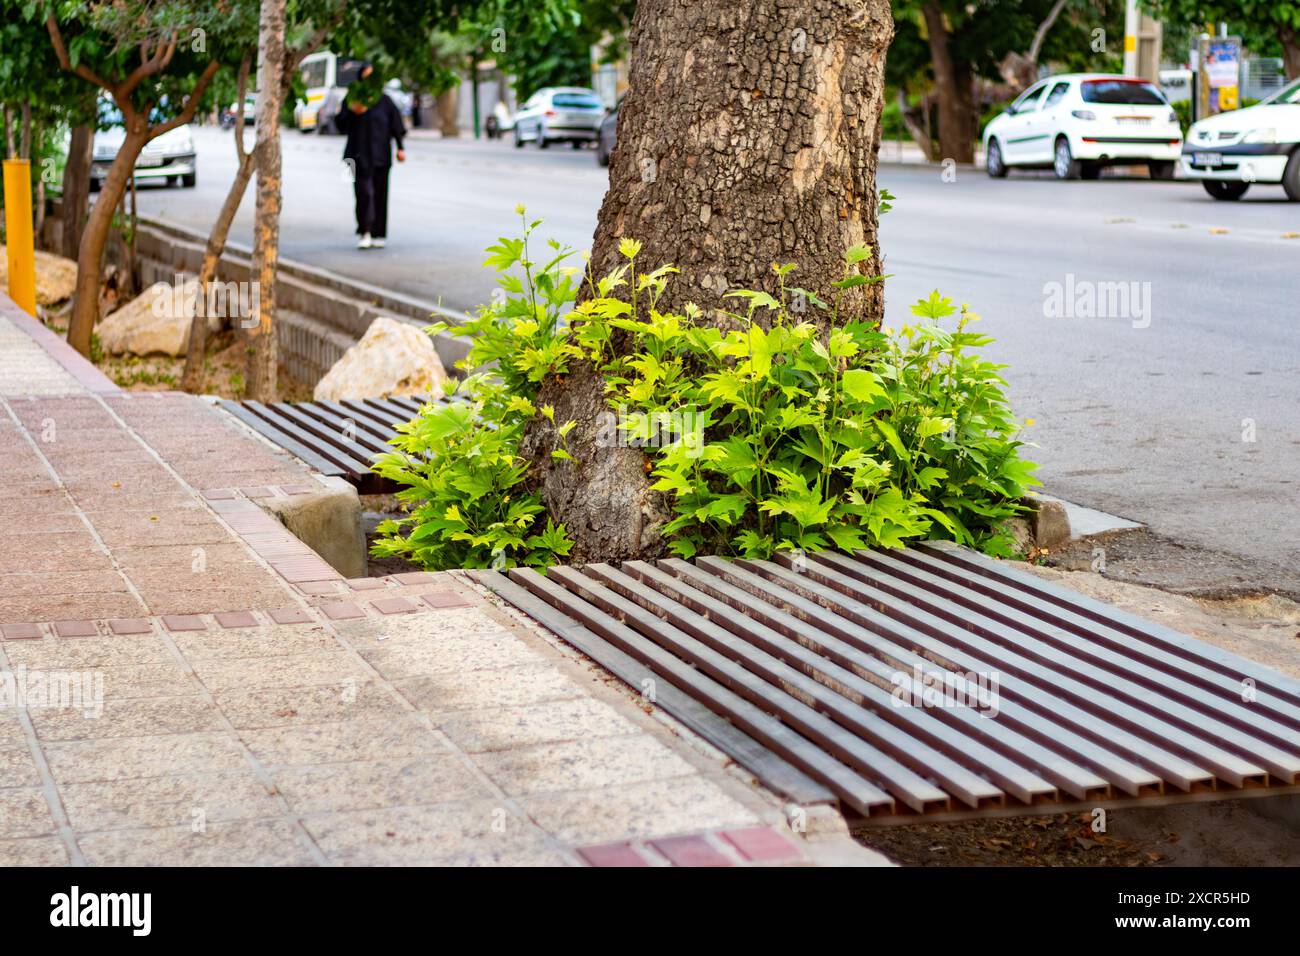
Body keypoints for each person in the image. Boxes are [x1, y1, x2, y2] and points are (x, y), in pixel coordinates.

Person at [334, 64, 406, 249]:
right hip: (354, 157)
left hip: (381, 156)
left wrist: (400, 147)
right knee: (363, 194)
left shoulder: (385, 101)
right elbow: (340, 125)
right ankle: (364, 230)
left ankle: (378, 233)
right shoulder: (352, 99)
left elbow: (396, 126)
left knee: (380, 194)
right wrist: (353, 111)